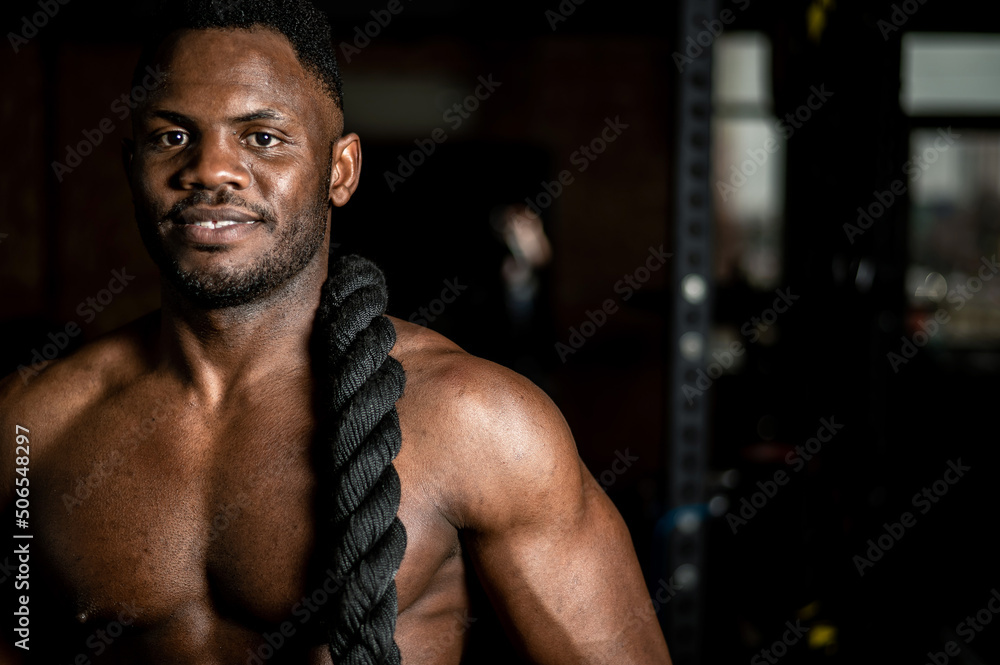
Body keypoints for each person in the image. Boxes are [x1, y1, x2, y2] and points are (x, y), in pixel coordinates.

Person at [0, 1, 672, 662]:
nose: (209, 170)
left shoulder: (477, 423)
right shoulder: (35, 425)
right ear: (130, 168)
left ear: (340, 171)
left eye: (262, 137)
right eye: (171, 137)